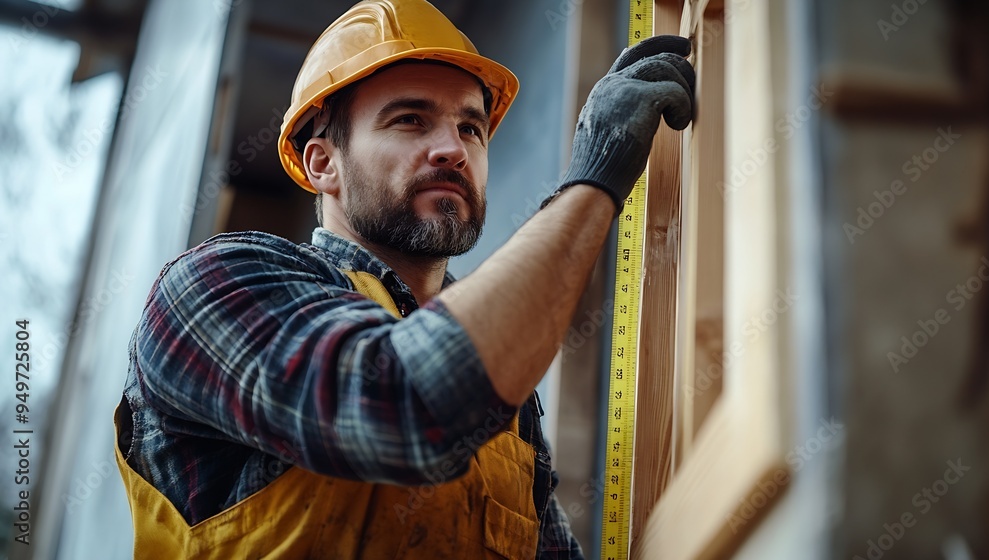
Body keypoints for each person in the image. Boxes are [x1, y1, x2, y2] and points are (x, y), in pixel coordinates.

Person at [113, 0, 694, 557]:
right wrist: (593, 183)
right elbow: (404, 403)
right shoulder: (214, 285)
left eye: (471, 129)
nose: (452, 150)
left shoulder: (510, 416)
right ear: (323, 163)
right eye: (410, 120)